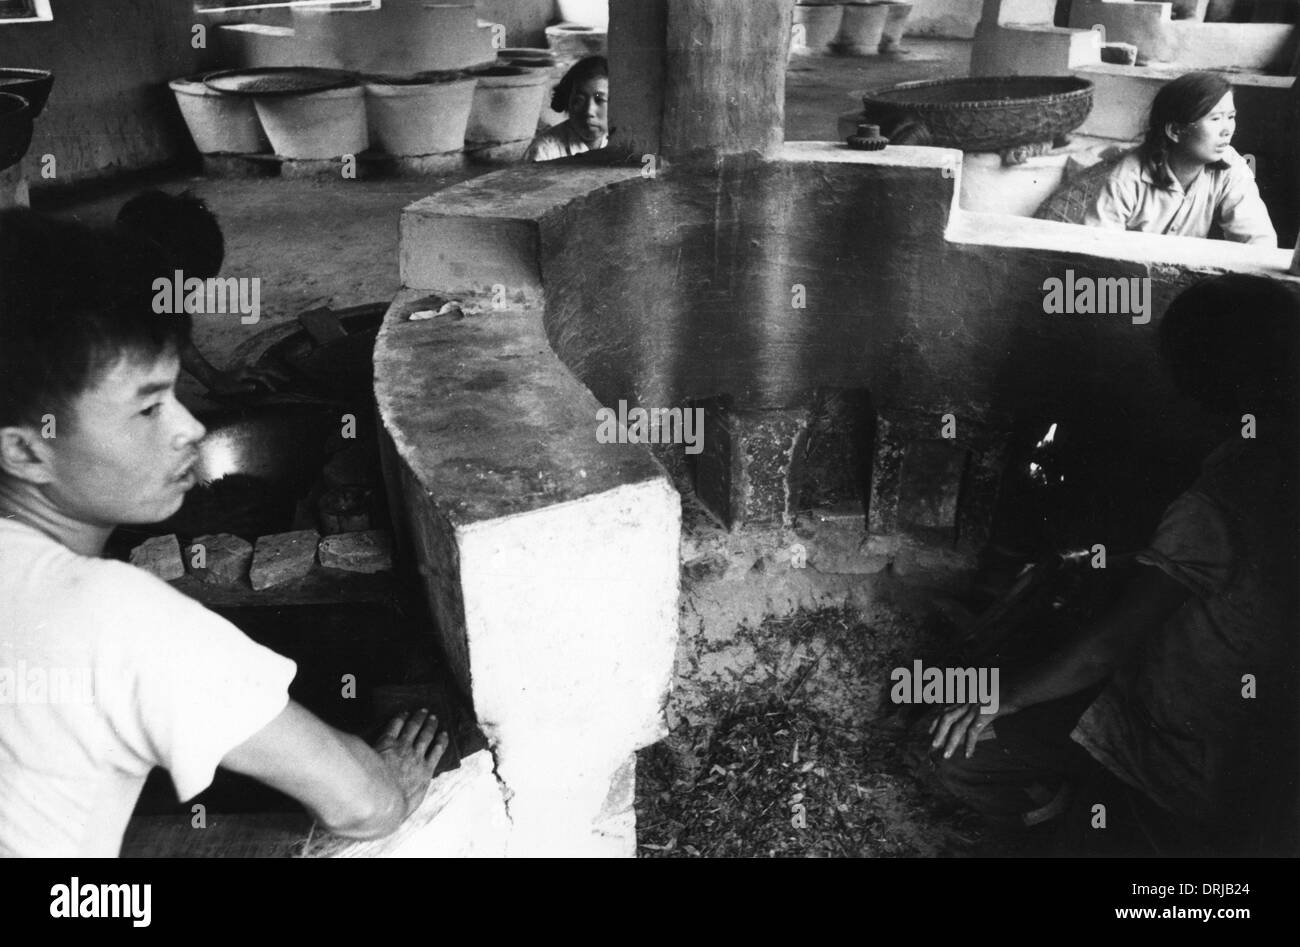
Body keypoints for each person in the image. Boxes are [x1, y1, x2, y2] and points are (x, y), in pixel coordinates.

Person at [0, 208, 447, 856]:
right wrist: (392, 773)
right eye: (148, 406)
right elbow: (365, 805)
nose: (189, 427)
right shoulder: (117, 617)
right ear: (25, 452)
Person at [928, 274, 1299, 856]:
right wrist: (1113, 563)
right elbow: (1212, 579)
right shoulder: (1266, 453)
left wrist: (1007, 696)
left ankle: (1071, 814)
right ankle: (1074, 801)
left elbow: (1112, 642)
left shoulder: (1222, 495)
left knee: (966, 755)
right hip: (1224, 731)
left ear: (1198, 380)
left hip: (1183, 749)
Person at [116, 189, 287, 396]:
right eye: (186, 288)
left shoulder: (147, 285)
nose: (189, 296)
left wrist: (212, 377)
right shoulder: (92, 318)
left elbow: (170, 322)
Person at [1083, 72, 1277, 246]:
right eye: (1216, 119)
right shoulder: (1128, 178)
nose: (1227, 130)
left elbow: (1259, 242)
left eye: (1231, 117)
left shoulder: (1232, 167)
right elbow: (1094, 249)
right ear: (1175, 131)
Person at [523, 56, 609, 162]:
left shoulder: (623, 143)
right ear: (568, 101)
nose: (589, 111)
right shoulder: (544, 152)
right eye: (579, 100)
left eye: (600, 100)